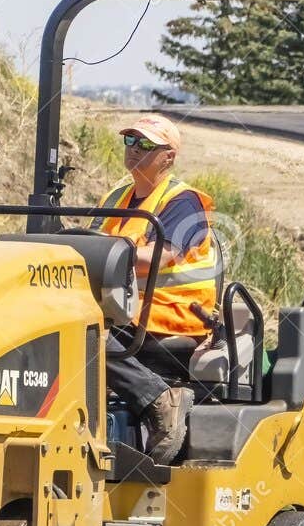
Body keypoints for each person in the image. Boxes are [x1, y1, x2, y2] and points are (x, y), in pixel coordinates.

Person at [93, 114, 219, 465]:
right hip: (124, 311)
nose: (134, 150)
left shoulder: (185, 202)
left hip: (172, 318)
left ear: (169, 156)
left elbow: (159, 257)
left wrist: (105, 252)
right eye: (130, 141)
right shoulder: (116, 197)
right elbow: (88, 244)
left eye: (146, 144)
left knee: (84, 334)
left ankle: (159, 401)